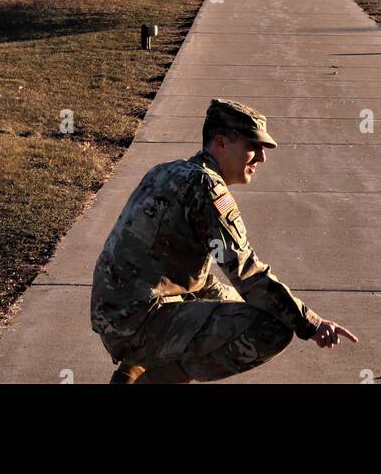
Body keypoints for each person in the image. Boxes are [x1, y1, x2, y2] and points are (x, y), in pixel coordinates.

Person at [91, 98, 358, 383]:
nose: (261, 158)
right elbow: (247, 273)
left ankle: (134, 368)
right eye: (251, 147)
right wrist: (311, 323)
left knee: (254, 305)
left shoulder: (167, 171)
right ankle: (150, 378)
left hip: (115, 313)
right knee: (273, 325)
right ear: (220, 142)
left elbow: (191, 274)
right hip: (137, 323)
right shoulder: (208, 189)